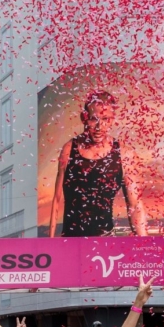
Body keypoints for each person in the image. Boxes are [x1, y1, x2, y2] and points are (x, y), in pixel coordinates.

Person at [48, 90, 148, 238]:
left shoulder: (124, 154)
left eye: (106, 119)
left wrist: (144, 246)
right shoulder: (69, 149)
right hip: (70, 239)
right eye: (94, 119)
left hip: (105, 240)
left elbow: (135, 205)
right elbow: (56, 199)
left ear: (112, 120)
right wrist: (49, 242)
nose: (99, 127)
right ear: (84, 118)